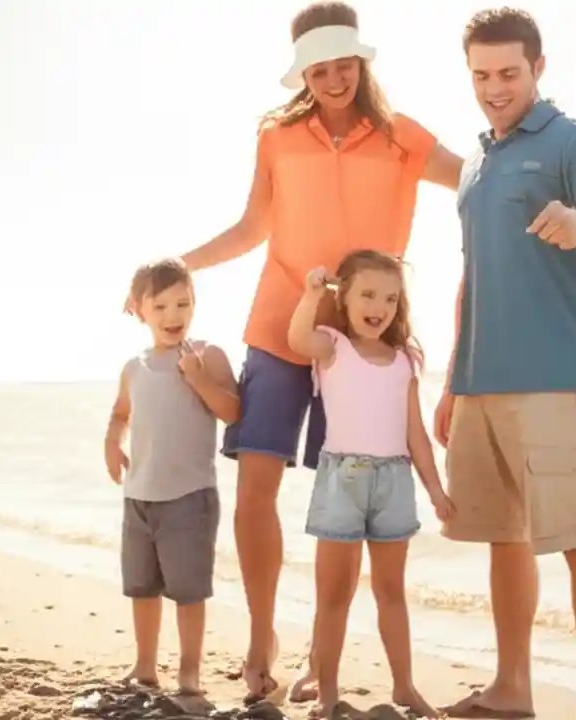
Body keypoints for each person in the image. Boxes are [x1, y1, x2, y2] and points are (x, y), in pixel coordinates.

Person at [180, 0, 463, 703]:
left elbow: (481, 180)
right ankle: (261, 637)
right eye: (320, 69)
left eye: (344, 65)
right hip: (283, 325)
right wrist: (180, 264)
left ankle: (319, 656)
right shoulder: (279, 137)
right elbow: (254, 226)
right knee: (256, 487)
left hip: (366, 343)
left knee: (345, 492)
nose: (334, 79)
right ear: (301, 72)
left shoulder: (402, 138)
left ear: (360, 63)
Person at [432, 8, 576, 720]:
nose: (494, 88)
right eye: (481, 75)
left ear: (539, 67)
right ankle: (512, 690)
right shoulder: (476, 165)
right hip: (480, 384)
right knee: (504, 541)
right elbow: (473, 277)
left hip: (557, 379)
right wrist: (453, 381)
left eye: (509, 73)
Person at [287, 250, 454, 719]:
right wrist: (311, 292)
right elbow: (296, 337)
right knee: (334, 594)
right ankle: (328, 690)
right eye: (367, 294)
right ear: (345, 298)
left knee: (391, 591)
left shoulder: (405, 361)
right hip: (343, 479)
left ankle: (405, 686)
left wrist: (437, 491)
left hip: (395, 481)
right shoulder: (332, 345)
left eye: (390, 298)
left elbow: (416, 434)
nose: (378, 306)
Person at [104, 258, 241, 695]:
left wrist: (199, 380)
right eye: (160, 306)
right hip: (139, 496)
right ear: (139, 309)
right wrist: (112, 443)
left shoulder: (207, 355)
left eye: (182, 303)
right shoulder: (134, 367)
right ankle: (145, 666)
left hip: (190, 497)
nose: (173, 316)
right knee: (141, 588)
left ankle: (189, 671)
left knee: (188, 591)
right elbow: (120, 413)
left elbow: (233, 412)